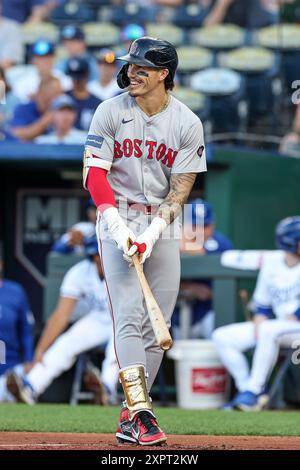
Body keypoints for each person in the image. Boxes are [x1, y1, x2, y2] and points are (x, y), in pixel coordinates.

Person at [84, 36, 207, 445]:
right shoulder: (109, 110)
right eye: (131, 66)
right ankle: (141, 412)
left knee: (160, 326)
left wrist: (154, 232)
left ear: (163, 74)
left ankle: (130, 414)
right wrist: (117, 226)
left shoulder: (187, 122)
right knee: (130, 313)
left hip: (163, 222)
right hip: (116, 213)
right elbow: (94, 173)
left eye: (142, 68)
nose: (131, 73)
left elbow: (180, 189)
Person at [6, 235, 119, 405]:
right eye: (95, 254)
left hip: (127, 319)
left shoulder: (125, 269)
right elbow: (61, 316)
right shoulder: (80, 272)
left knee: (117, 346)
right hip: (100, 318)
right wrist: (41, 349)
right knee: (66, 343)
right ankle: (30, 387)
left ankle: (107, 389)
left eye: (100, 253)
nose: (97, 257)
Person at [212, 216, 300, 410]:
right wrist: (259, 322)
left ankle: (253, 390)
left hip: (294, 328)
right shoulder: (273, 261)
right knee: (222, 336)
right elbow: (263, 307)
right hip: (278, 327)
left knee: (269, 329)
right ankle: (248, 391)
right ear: (291, 242)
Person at [172, 198, 233, 339]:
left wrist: (181, 246)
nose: (199, 231)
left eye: (204, 226)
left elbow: (202, 251)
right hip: (176, 312)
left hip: (209, 311)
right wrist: (188, 286)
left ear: (213, 225)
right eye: (194, 225)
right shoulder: (171, 239)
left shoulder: (222, 243)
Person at [0, 244, 34, 402]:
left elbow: (26, 331)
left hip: (12, 365)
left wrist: (29, 359)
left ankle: (17, 390)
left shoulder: (15, 291)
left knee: (23, 382)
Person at [9, 76, 61, 142]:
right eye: (56, 92)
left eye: (60, 92)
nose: (60, 96)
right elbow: (16, 135)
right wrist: (46, 121)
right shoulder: (23, 109)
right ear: (42, 92)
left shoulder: (63, 109)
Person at [66, 56, 101, 131]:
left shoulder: (97, 103)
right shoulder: (63, 99)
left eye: (79, 77)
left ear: (87, 75)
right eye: (73, 77)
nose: (76, 81)